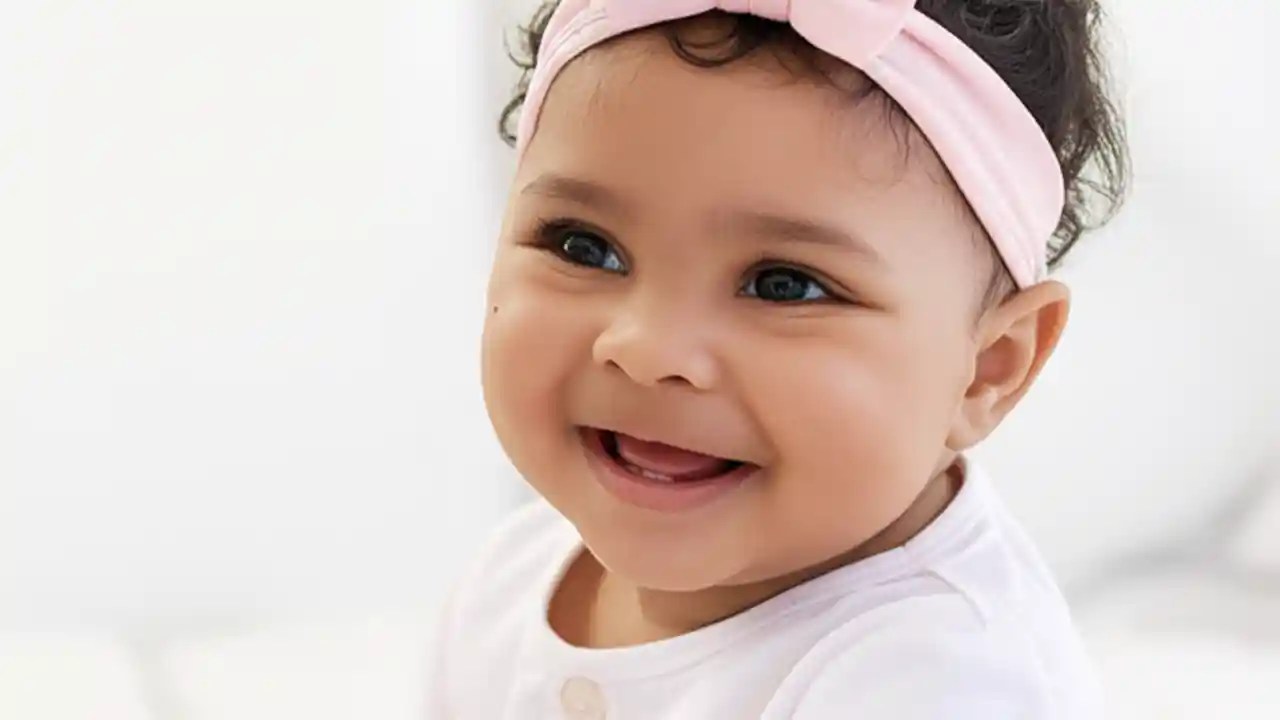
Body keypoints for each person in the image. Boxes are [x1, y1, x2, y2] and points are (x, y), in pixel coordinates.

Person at [432, 0, 1128, 716]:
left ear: (988, 367)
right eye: (584, 246)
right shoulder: (511, 581)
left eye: (783, 285)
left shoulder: (942, 683)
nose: (647, 350)